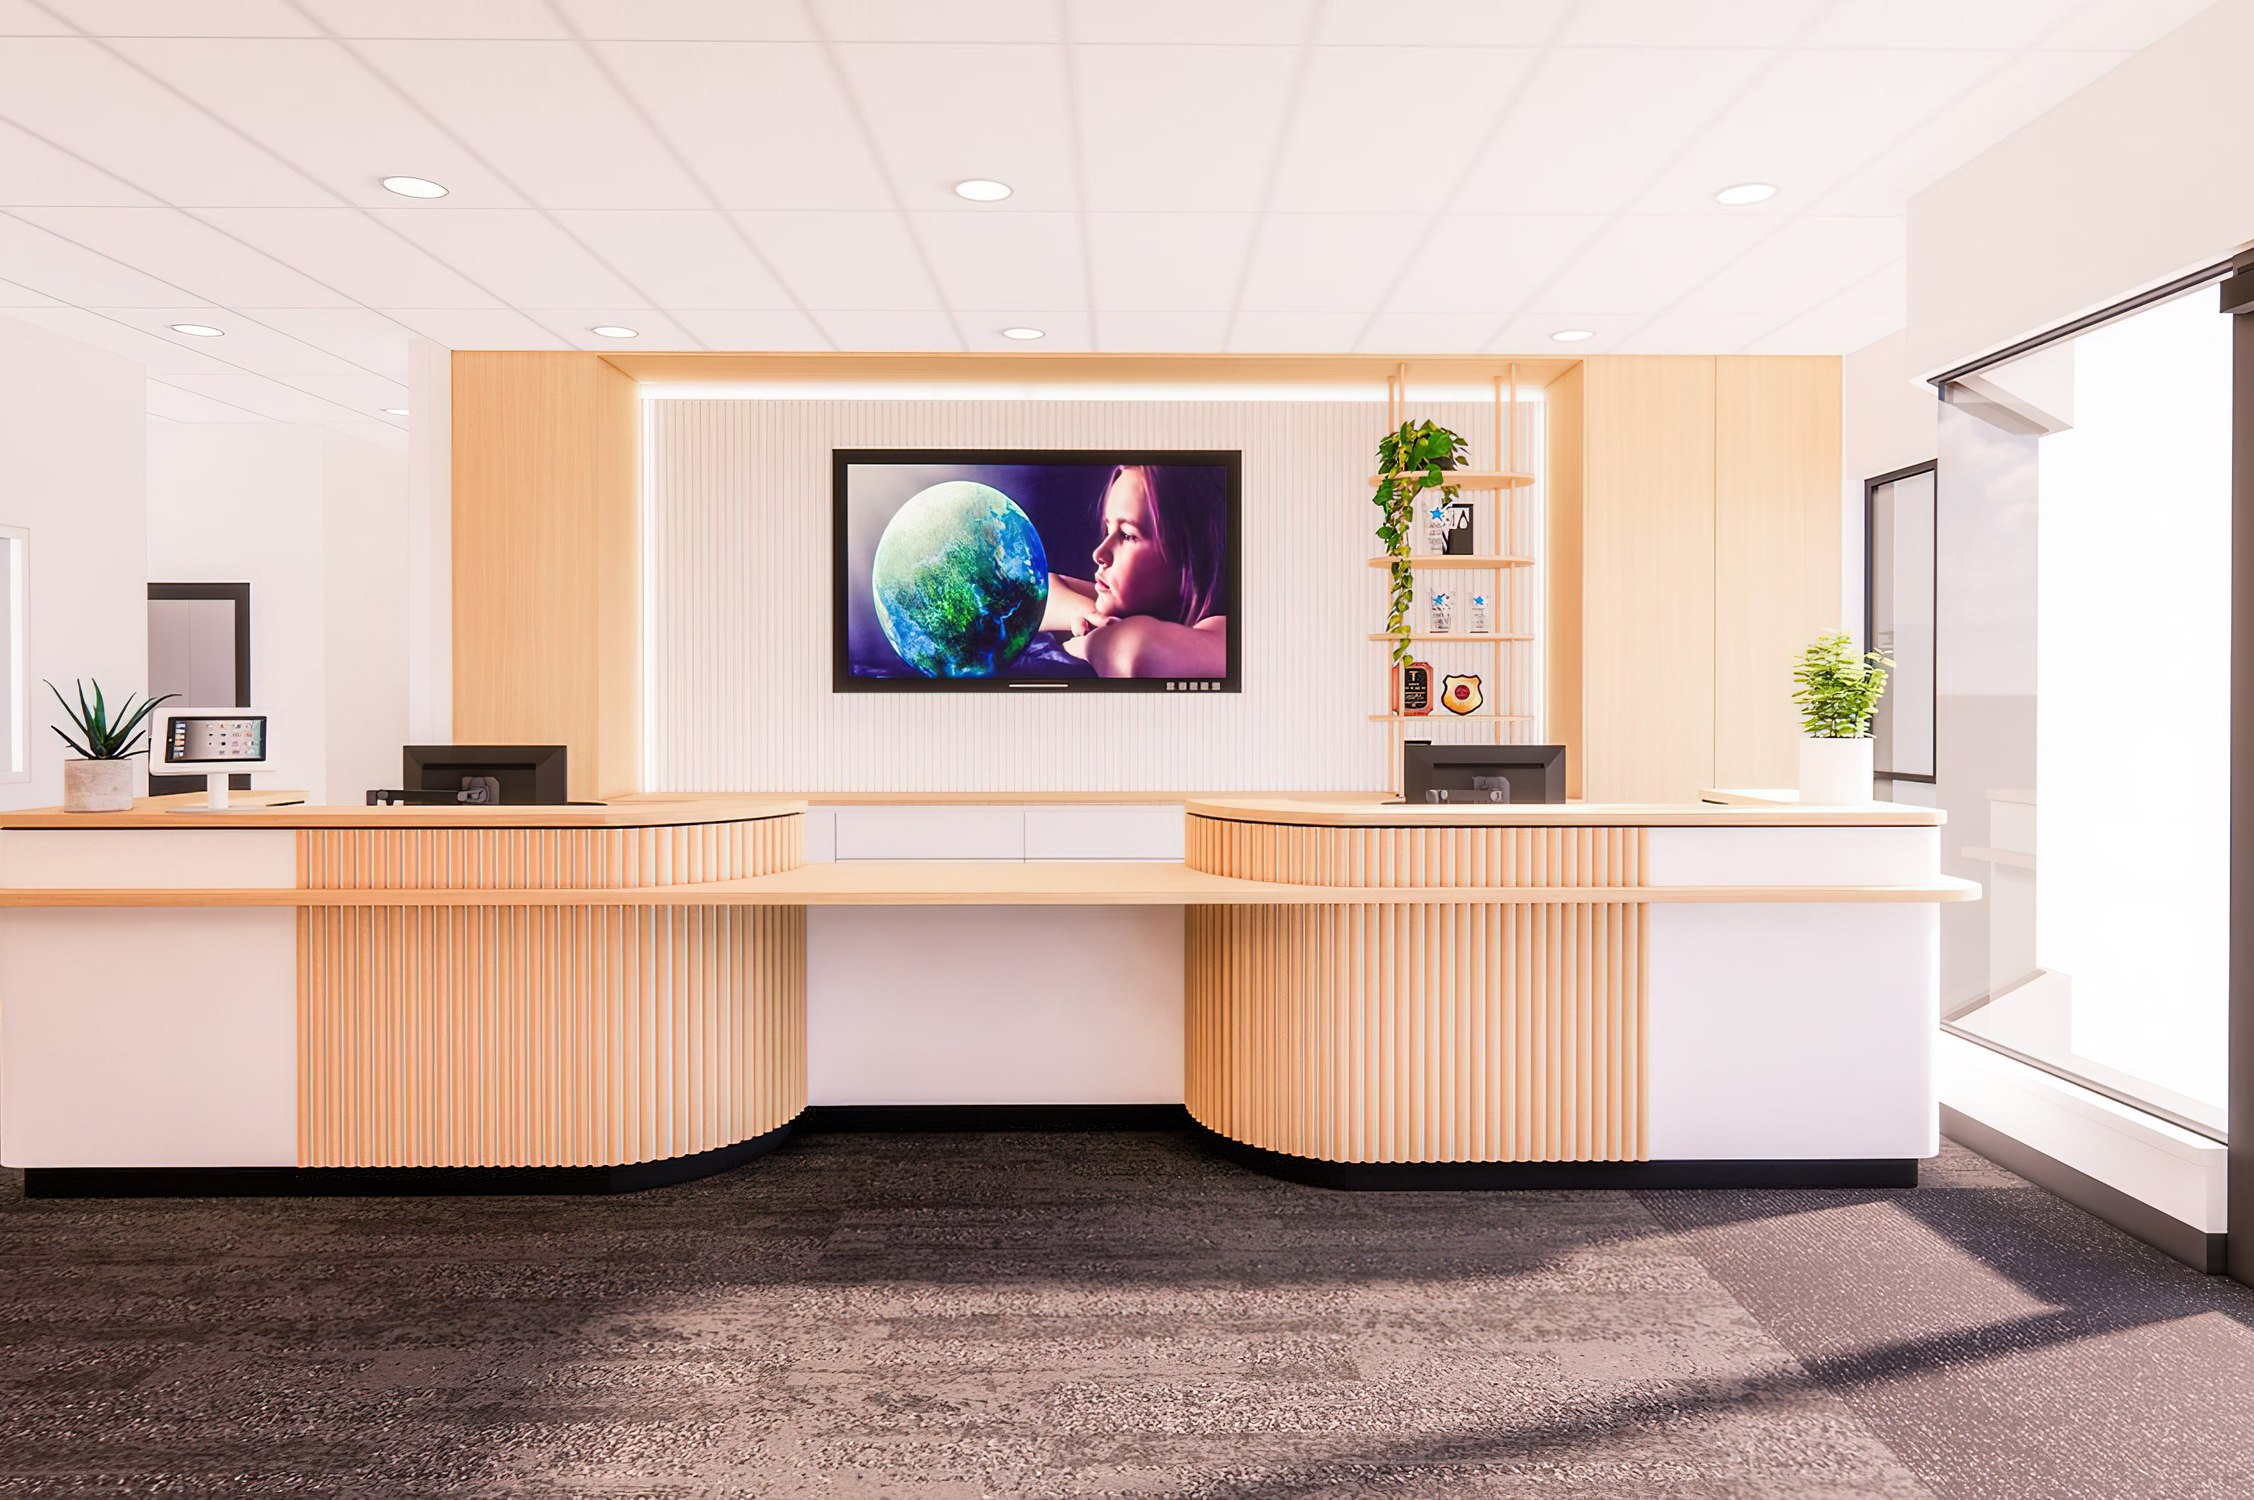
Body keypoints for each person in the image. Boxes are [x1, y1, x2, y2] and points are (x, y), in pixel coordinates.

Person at [1040, 464, 1228, 678]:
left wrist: (1088, 642)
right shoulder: (1132, 606)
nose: (1099, 553)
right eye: (1108, 529)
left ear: (1190, 559)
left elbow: (1137, 654)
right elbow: (1039, 592)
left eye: (1127, 535)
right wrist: (1090, 617)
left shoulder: (1226, 630)